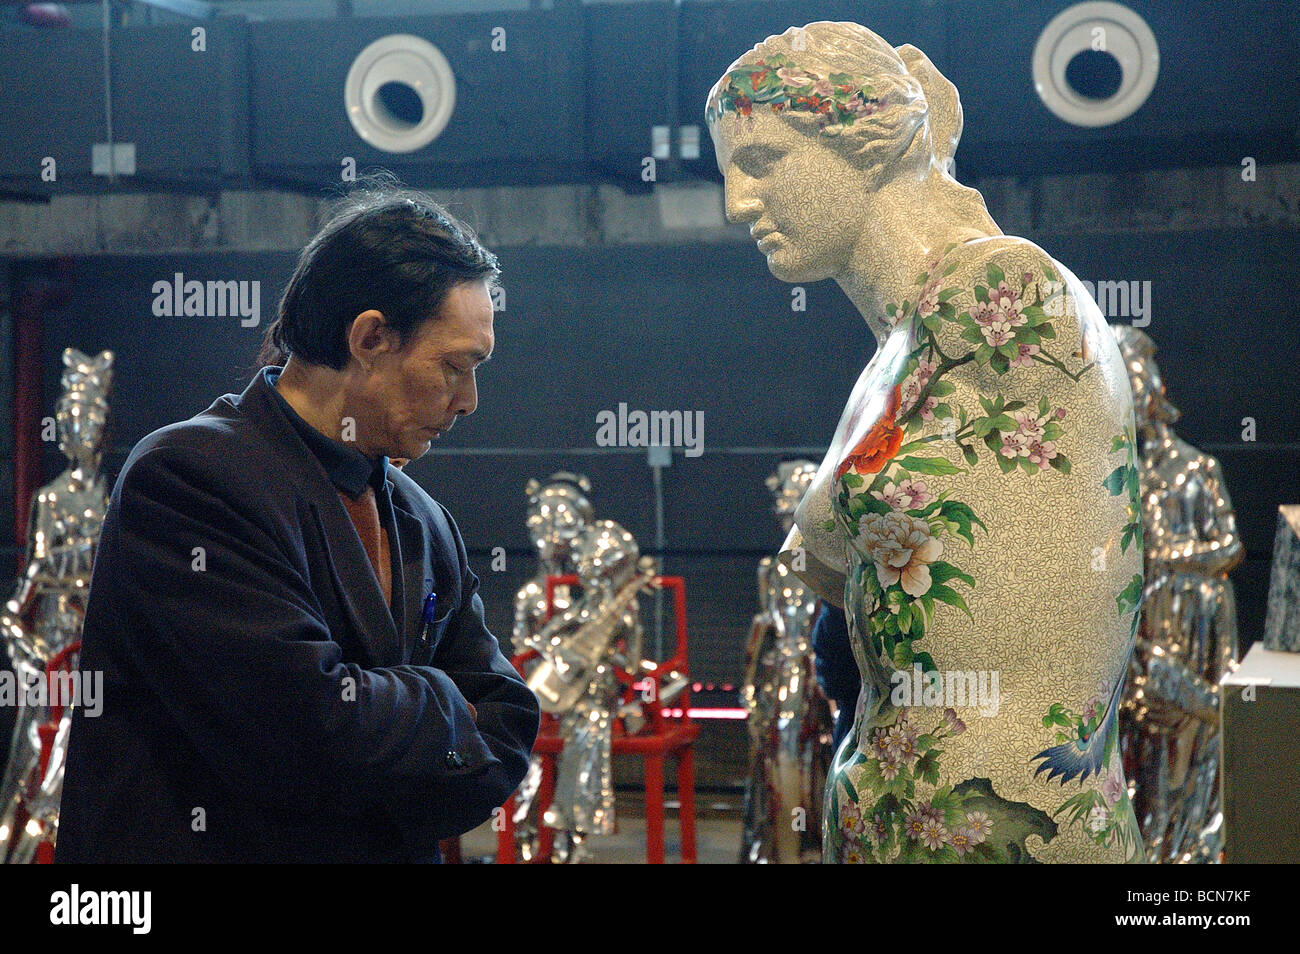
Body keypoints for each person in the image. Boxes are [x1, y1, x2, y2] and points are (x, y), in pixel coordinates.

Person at [707, 22, 1142, 863]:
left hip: (1002, 821)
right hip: (905, 815)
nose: (737, 203)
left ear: (870, 142)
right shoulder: (901, 347)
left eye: (762, 161)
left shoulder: (1002, 289)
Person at [56, 177, 539, 863]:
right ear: (370, 337)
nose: (470, 400)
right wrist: (446, 709)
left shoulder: (422, 518)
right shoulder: (188, 478)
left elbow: (510, 721)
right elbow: (306, 737)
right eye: (456, 366)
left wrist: (394, 722)